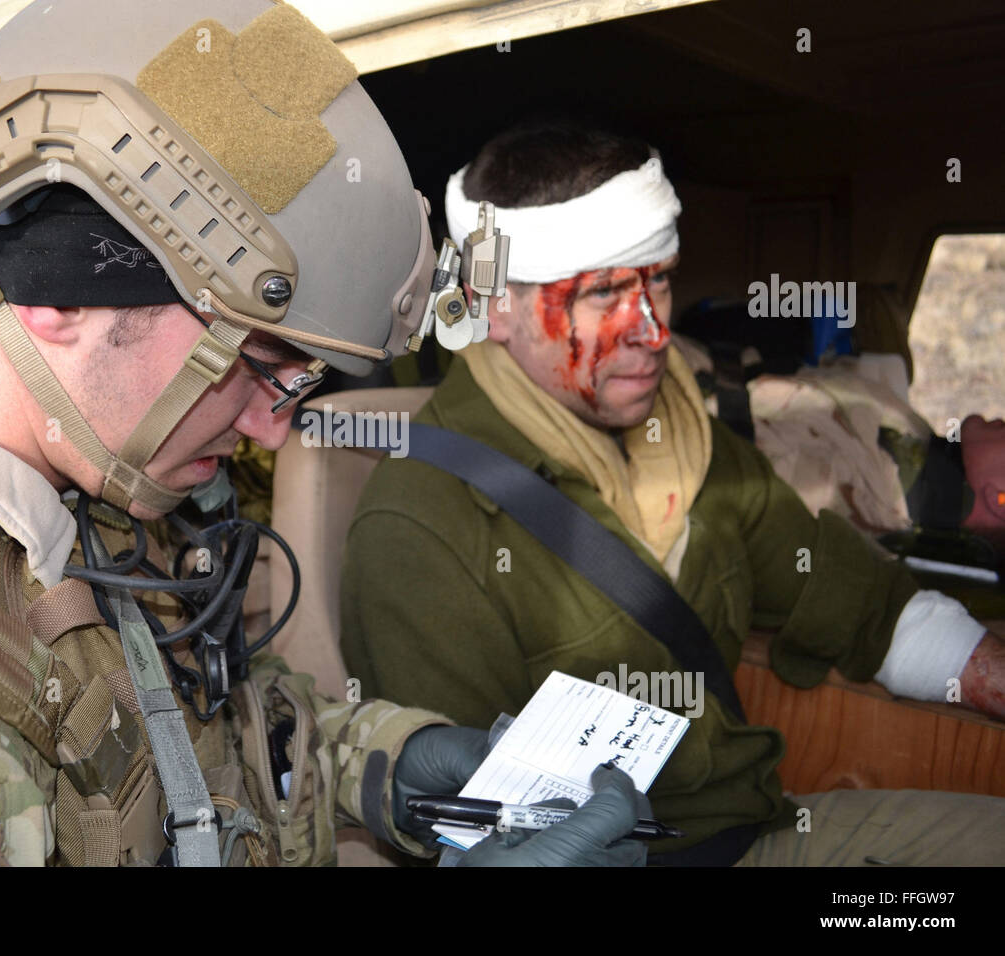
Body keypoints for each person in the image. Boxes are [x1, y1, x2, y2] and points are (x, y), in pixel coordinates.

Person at [0, 3, 646, 867]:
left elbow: (200, 752)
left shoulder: (90, 505)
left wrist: (390, 769)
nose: (273, 432)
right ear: (62, 293)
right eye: (258, 362)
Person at [340, 117, 1005, 866]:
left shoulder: (687, 437)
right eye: (600, 297)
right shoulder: (422, 525)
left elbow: (870, 609)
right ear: (498, 308)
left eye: (657, 278)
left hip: (759, 828)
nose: (653, 331)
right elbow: (471, 836)